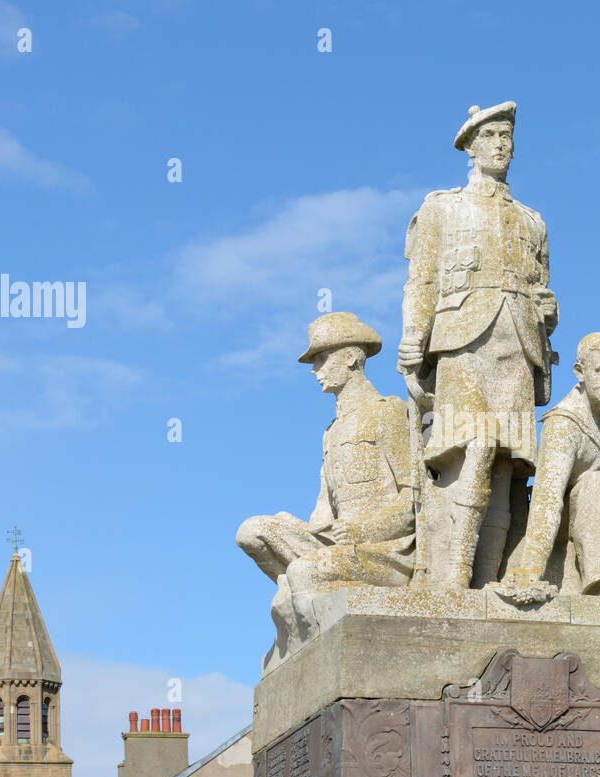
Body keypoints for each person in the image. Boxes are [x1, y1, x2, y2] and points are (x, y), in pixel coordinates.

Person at [397, 101, 558, 588]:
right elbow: (421, 280)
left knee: (507, 467)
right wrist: (412, 337)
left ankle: (489, 585)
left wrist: (549, 312)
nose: (501, 146)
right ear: (470, 146)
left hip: (519, 344)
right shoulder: (442, 207)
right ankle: (452, 579)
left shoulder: (532, 220)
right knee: (471, 449)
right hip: (462, 340)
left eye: (507, 137)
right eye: (490, 136)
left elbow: (544, 288)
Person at [237, 312, 414, 663]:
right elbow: (323, 510)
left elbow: (413, 500)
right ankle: (307, 601)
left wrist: (365, 530)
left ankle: (324, 651)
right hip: (338, 544)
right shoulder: (331, 432)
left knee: (302, 572)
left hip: (385, 551)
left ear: (351, 357)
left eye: (322, 358)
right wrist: (301, 529)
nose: (315, 370)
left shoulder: (389, 413)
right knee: (252, 532)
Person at [500, 332, 600, 602]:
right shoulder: (563, 422)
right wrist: (531, 567)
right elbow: (547, 500)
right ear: (580, 372)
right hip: (561, 526)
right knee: (596, 481)